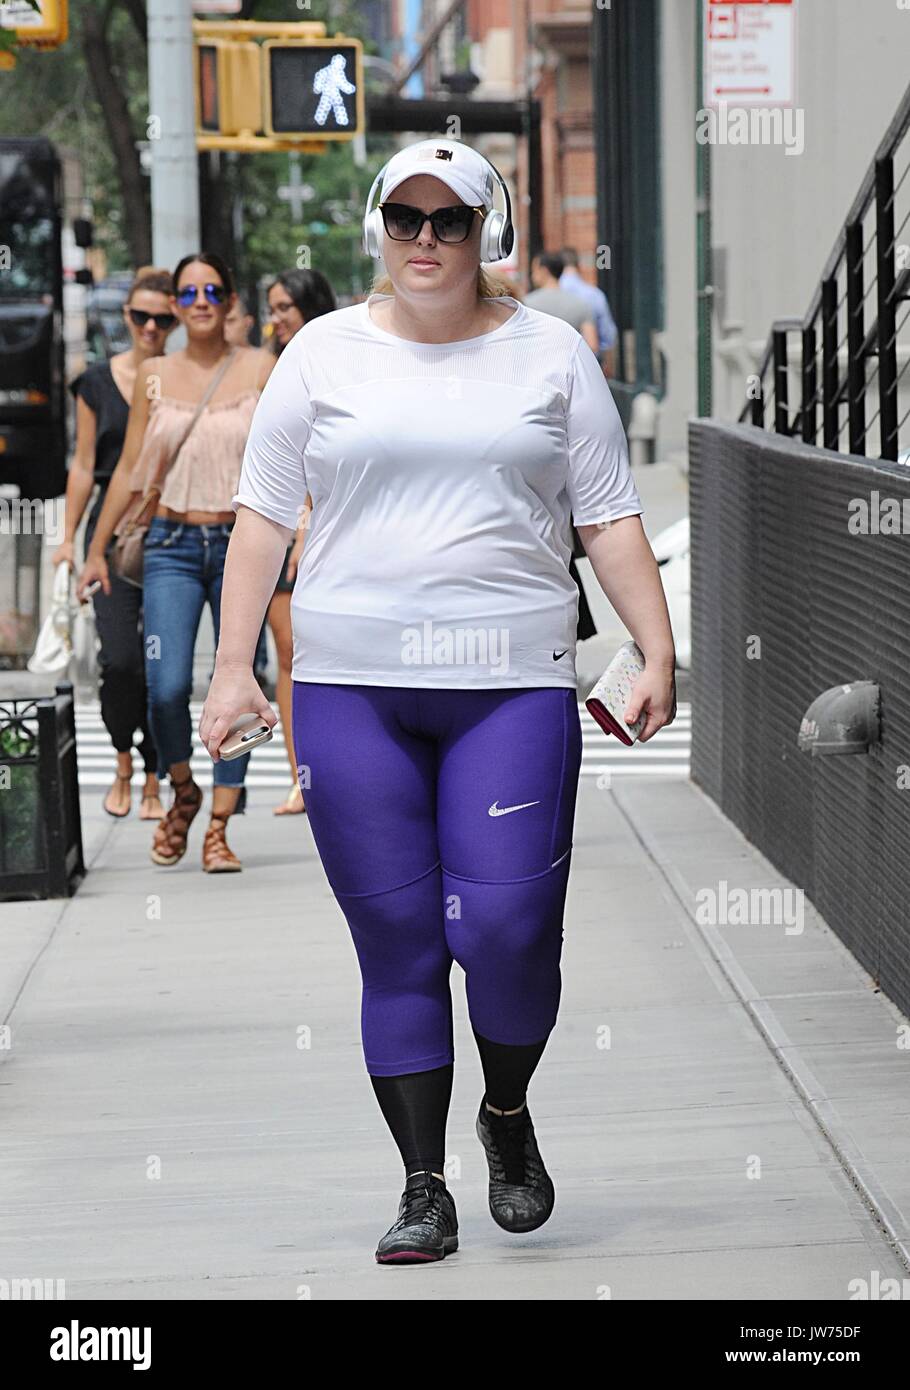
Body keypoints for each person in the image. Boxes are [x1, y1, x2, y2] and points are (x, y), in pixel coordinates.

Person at [199, 137, 676, 1264]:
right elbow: (263, 520)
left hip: (508, 685)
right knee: (400, 945)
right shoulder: (320, 355)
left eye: (449, 221)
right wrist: (231, 671)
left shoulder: (550, 355)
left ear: (486, 233)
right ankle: (423, 1186)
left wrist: (657, 650)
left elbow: (606, 517)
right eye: (405, 219)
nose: (425, 240)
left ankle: (504, 1117)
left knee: (508, 931)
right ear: (378, 228)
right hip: (351, 690)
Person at [77, 252, 276, 873]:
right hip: (170, 546)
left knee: (239, 684)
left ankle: (218, 826)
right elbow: (132, 469)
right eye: (188, 293)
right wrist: (95, 549)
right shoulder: (156, 375)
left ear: (231, 298)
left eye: (212, 290)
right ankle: (183, 787)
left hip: (242, 546)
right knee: (164, 687)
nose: (199, 303)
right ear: (176, 306)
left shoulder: (261, 368)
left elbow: (293, 460)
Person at [57, 267, 177, 819]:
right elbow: (84, 465)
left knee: (161, 663)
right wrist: (69, 540)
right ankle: (124, 758)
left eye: (162, 316)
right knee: (121, 660)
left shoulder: (182, 380)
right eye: (141, 316)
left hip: (169, 530)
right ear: (126, 318)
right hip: (108, 533)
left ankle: (155, 775)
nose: (151, 326)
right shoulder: (97, 382)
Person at [265, 269, 336, 815]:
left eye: (285, 306)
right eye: (272, 307)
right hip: (281, 524)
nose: (276, 317)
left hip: (329, 523)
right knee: (288, 652)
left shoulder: (336, 357)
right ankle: (301, 776)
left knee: (324, 652)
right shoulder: (267, 365)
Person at [524, 251, 599, 354]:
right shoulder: (581, 304)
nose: (532, 276)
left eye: (534, 271)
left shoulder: (526, 304)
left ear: (544, 271)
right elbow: (592, 345)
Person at [559, 245, 618, 374]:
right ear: (578, 264)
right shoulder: (595, 294)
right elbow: (608, 336)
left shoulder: (553, 293)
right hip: (588, 367)